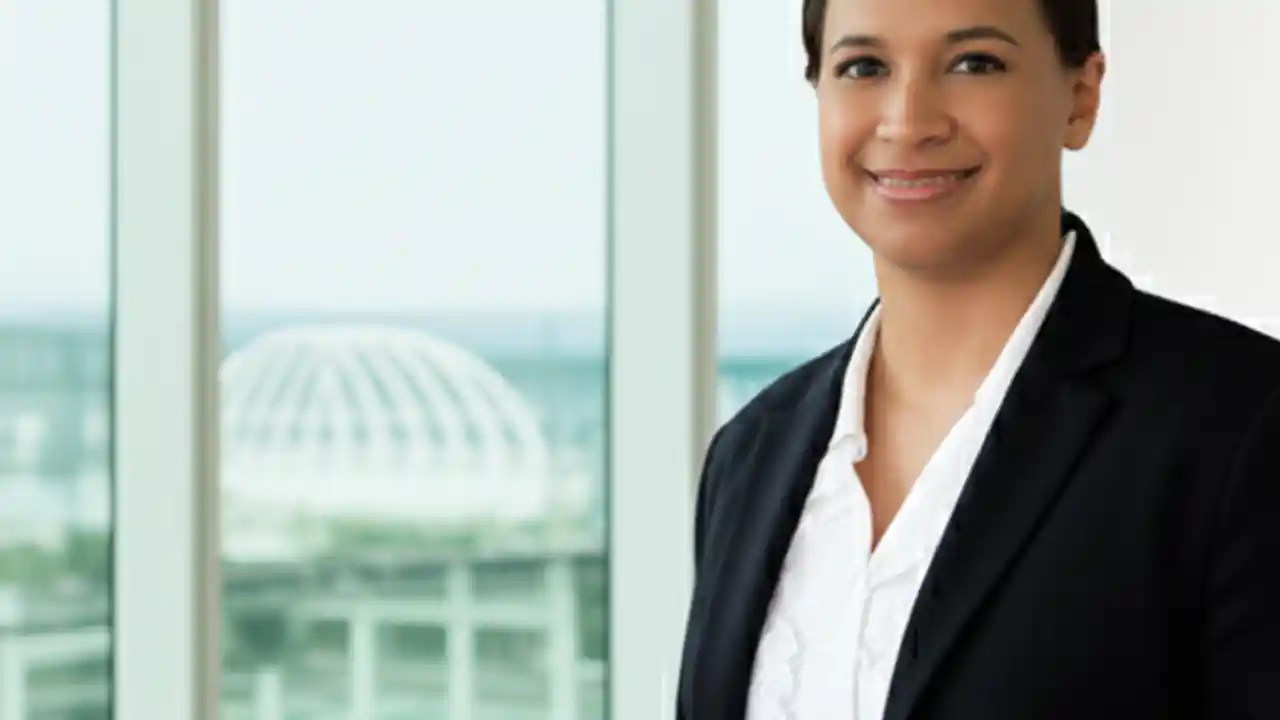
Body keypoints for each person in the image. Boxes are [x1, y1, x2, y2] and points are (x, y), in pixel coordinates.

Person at [676, 0, 1280, 718]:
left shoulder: (1237, 426)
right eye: (863, 67)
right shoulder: (750, 458)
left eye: (973, 63)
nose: (908, 120)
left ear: (1080, 98)